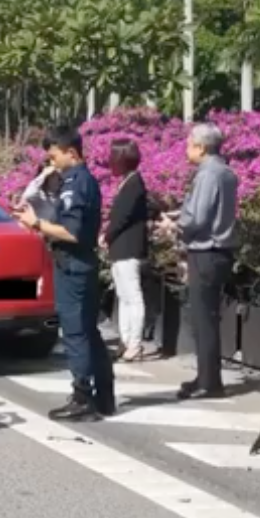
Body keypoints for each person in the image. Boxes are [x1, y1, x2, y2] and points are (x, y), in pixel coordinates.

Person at [11, 125, 116, 420]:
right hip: (75, 265)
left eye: (54, 155)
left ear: (71, 152)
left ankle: (83, 396)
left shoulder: (76, 184)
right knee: (88, 333)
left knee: (75, 333)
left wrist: (37, 224)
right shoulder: (74, 181)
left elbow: (72, 232)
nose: (51, 162)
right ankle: (103, 395)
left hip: (74, 266)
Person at [169, 123, 239, 400]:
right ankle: (205, 376)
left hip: (208, 250)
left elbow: (198, 217)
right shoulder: (226, 172)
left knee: (204, 318)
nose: (186, 150)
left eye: (189, 144)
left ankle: (211, 383)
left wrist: (178, 226)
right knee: (205, 317)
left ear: (200, 146)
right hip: (217, 251)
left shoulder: (208, 174)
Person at [105, 138, 151, 362]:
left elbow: (121, 217)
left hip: (128, 247)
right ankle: (125, 340)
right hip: (120, 247)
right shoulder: (128, 182)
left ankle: (135, 342)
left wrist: (106, 235)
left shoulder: (134, 184)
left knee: (132, 295)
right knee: (123, 296)